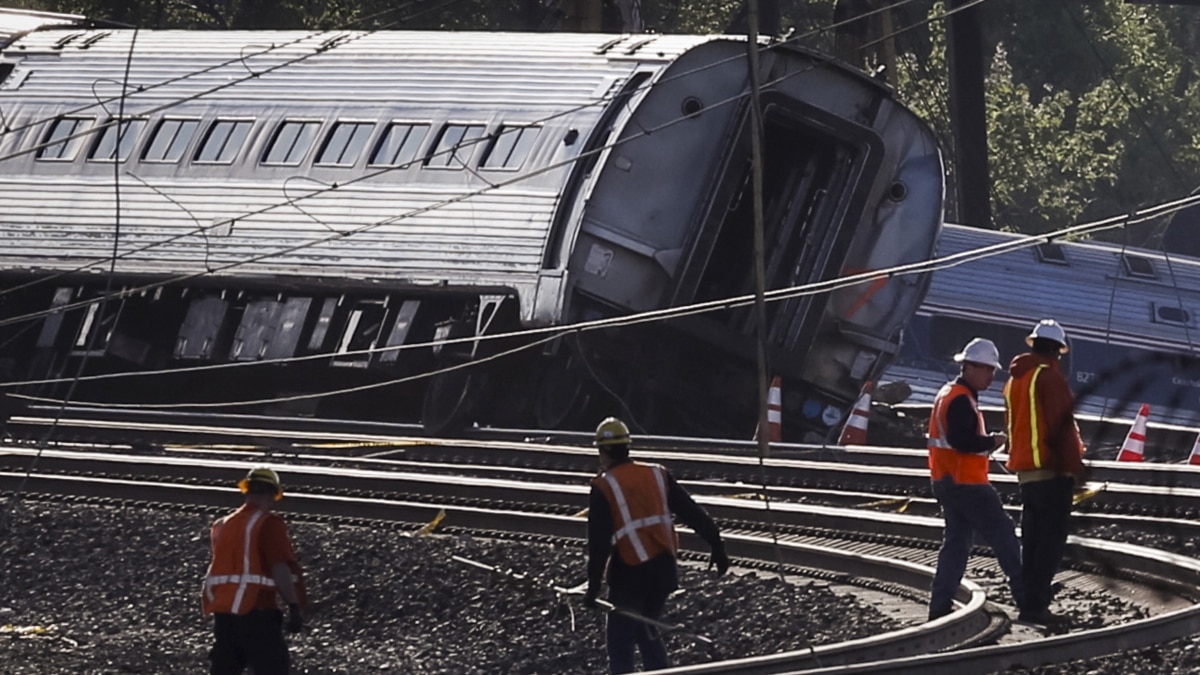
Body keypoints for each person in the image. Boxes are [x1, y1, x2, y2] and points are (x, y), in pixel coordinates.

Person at [584, 417, 730, 674]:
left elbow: (599, 542)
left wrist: (593, 586)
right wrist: (716, 543)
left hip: (630, 571)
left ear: (603, 451)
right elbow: (690, 511)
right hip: (663, 569)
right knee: (647, 629)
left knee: (620, 640)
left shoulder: (604, 485)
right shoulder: (656, 474)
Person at [927, 338, 1028, 621]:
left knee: (957, 544)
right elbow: (962, 441)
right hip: (967, 482)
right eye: (987, 369)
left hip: (947, 479)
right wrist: (991, 442)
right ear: (970, 367)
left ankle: (939, 606)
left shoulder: (950, 393)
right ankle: (1027, 597)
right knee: (1003, 533)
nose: (991, 375)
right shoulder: (961, 399)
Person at [1004, 319, 1087, 625]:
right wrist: (1076, 468)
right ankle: (1036, 606)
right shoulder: (1049, 377)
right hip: (1052, 473)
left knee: (1032, 541)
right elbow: (1061, 429)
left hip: (1026, 473)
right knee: (1049, 544)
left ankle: (1029, 600)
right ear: (1057, 350)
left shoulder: (1015, 379)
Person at [202, 467, 307, 675]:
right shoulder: (268, 523)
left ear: (247, 490)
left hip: (224, 611)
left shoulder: (223, 524)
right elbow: (279, 568)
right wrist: (294, 605)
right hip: (257, 609)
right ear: (272, 494)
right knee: (273, 667)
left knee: (225, 668)